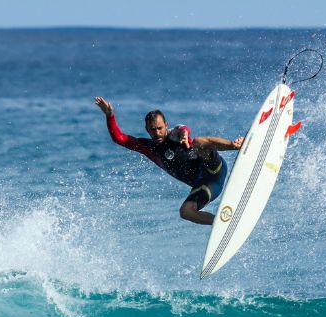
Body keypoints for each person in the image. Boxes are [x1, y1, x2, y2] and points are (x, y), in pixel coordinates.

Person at [94, 96, 243, 225]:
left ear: (166, 125)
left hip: (214, 169)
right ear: (147, 129)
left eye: (160, 128)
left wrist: (185, 135)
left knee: (198, 141)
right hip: (205, 185)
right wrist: (109, 115)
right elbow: (119, 138)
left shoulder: (176, 134)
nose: (157, 133)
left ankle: (235, 145)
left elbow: (184, 128)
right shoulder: (147, 147)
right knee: (185, 212)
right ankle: (221, 224)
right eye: (152, 129)